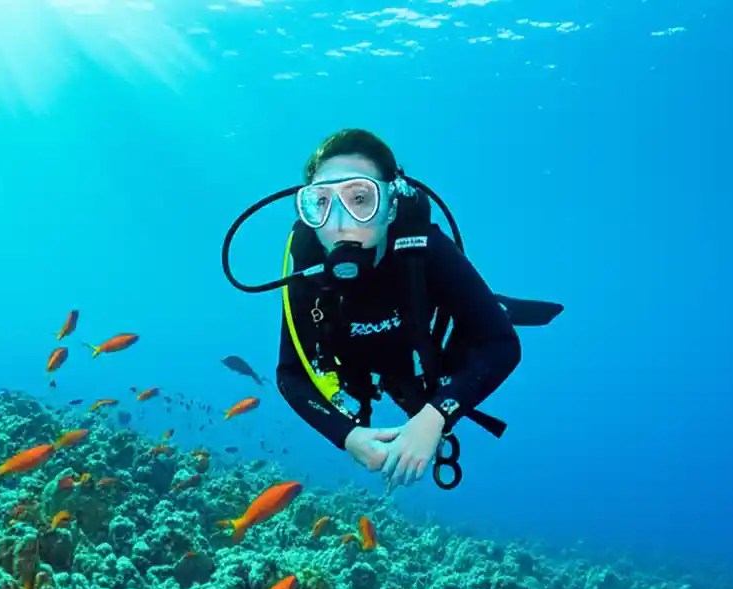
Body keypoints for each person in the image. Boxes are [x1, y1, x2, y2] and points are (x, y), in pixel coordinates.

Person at [221, 128, 562, 493]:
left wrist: (435, 416)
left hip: (428, 341)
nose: (339, 222)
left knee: (480, 324)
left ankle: (493, 304)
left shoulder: (424, 249)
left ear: (391, 205)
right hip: (371, 362)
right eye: (320, 203)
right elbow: (291, 374)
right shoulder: (307, 267)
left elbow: (501, 346)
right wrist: (347, 435)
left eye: (360, 198)